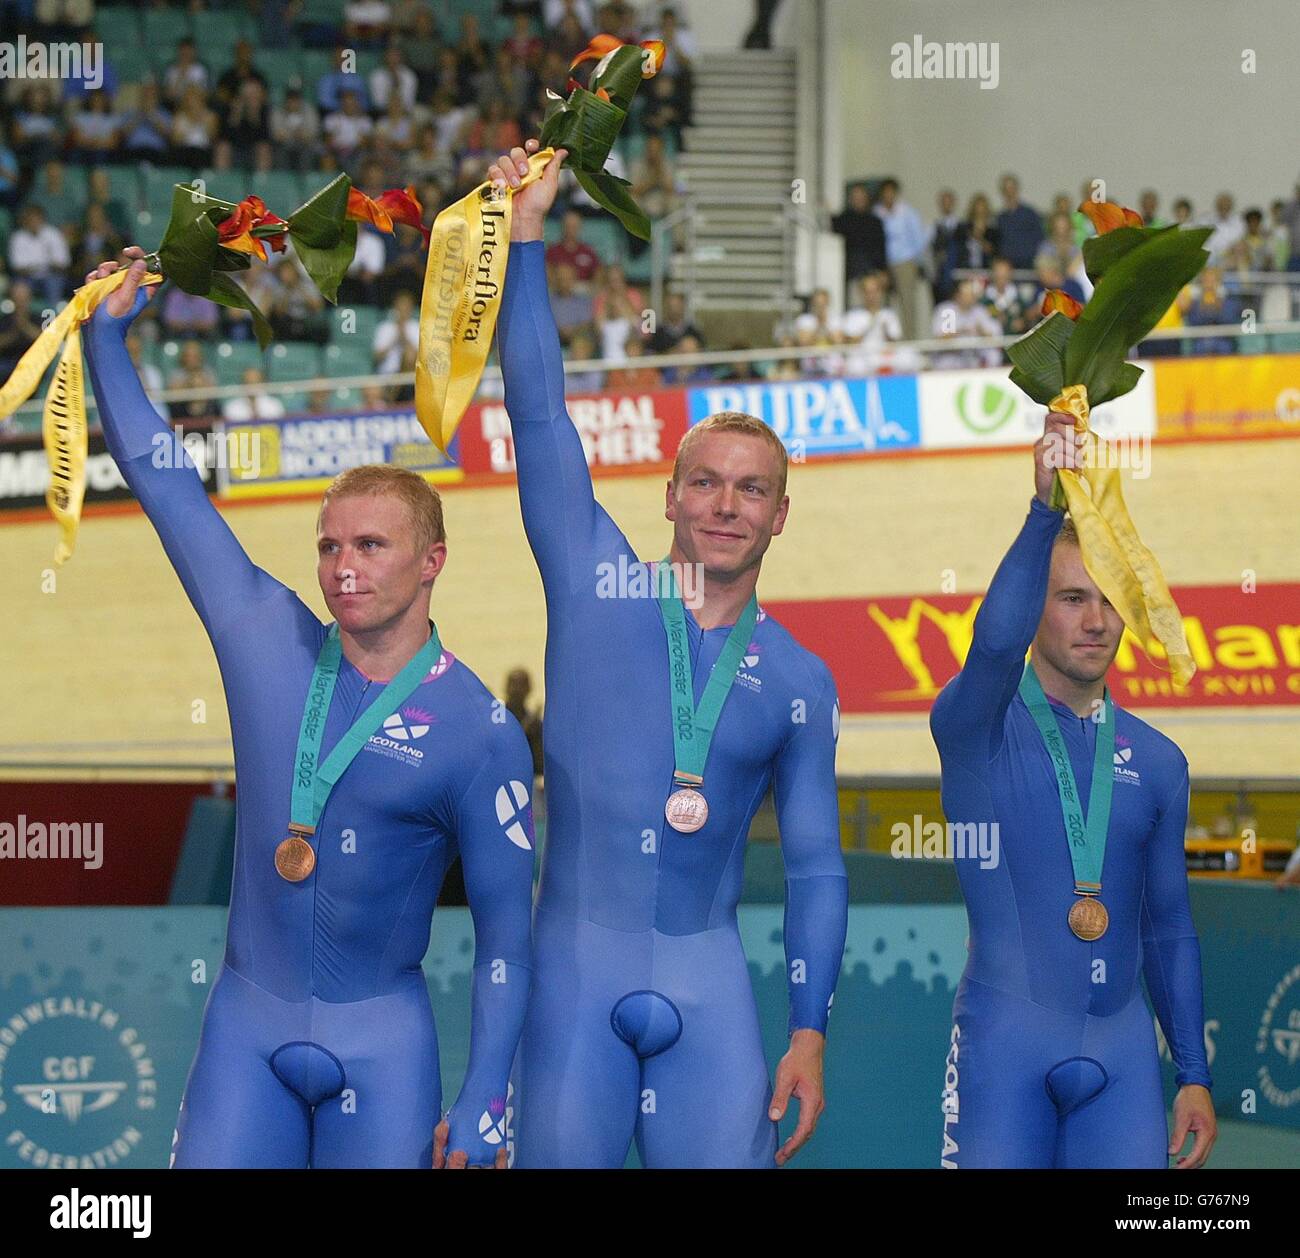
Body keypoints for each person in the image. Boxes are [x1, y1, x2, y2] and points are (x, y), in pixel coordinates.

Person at [80, 247, 535, 1169]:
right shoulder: (265, 638)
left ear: (431, 560)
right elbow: (166, 483)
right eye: (329, 546)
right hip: (243, 1032)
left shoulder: (482, 732)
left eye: (371, 544)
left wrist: (489, 1091)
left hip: (386, 1046)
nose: (344, 568)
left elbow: (508, 942)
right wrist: (106, 337)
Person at [490, 139, 848, 1169]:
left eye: (749, 490)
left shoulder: (797, 681)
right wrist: (525, 235)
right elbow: (540, 413)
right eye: (705, 483)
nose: (725, 505)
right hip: (573, 977)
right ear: (670, 496)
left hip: (711, 994)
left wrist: (811, 1028)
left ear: (780, 515)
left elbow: (818, 865)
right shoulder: (591, 580)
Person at [928, 412, 1216, 1169]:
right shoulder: (975, 728)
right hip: (1004, 1049)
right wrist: (1042, 511)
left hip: (1123, 1063)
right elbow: (991, 646)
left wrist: (1193, 1072)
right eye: (1070, 599)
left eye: (1109, 599)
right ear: (1034, 611)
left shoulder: (1158, 763)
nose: (1096, 621)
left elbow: (1169, 927)